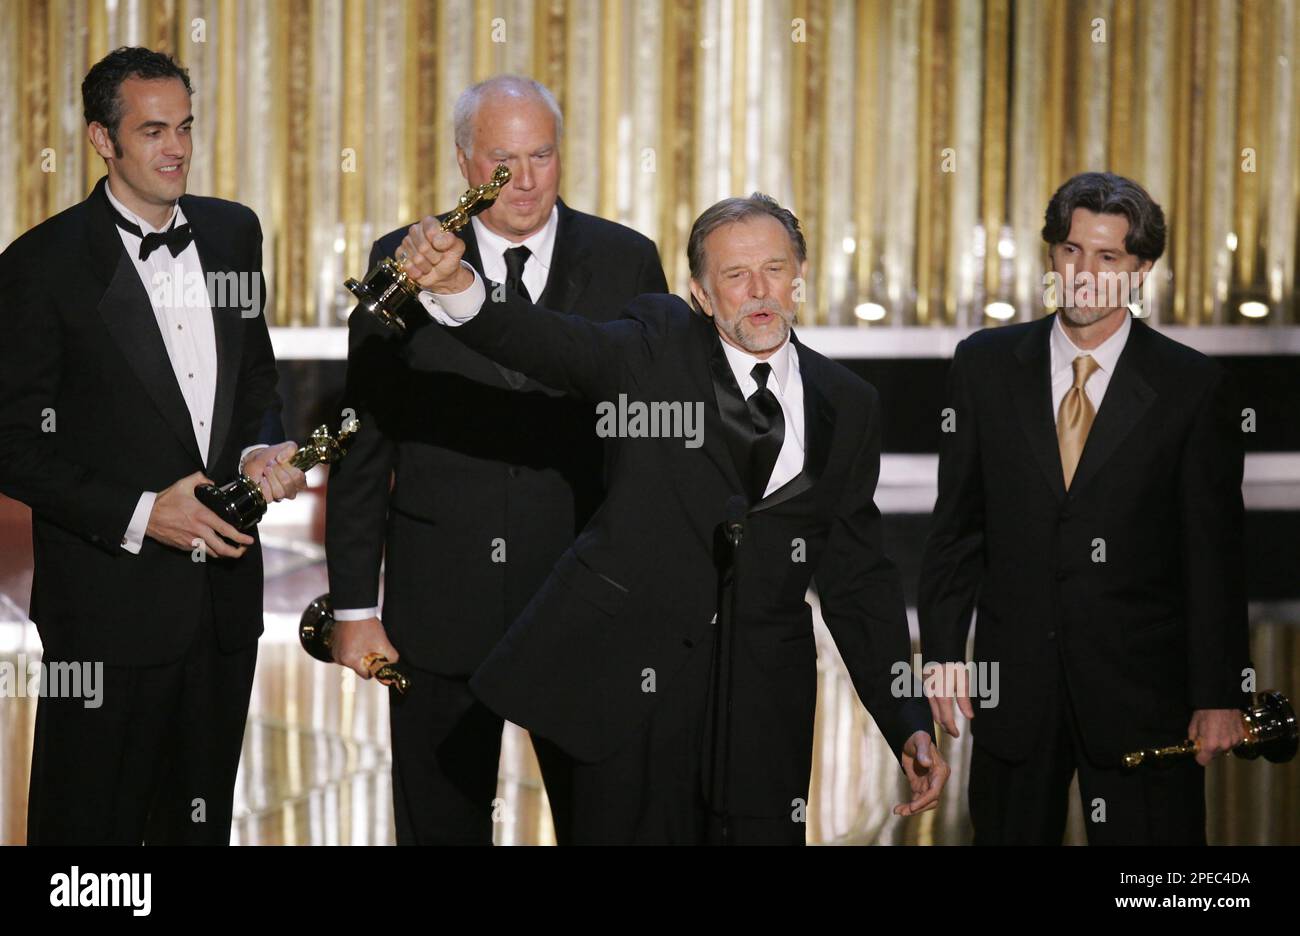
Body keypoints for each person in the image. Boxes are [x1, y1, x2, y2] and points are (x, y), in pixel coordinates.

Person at [391, 192, 947, 844]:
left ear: (800, 274)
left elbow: (858, 579)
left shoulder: (849, 404)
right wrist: (461, 286)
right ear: (702, 294)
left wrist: (905, 717)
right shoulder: (655, 347)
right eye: (735, 276)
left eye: (774, 268)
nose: (759, 289)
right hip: (631, 700)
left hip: (763, 714)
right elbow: (555, 344)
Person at [324, 75, 668, 845]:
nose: (526, 179)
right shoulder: (399, 260)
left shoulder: (626, 260)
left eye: (541, 154)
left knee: (609, 827)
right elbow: (364, 437)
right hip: (439, 609)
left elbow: (649, 443)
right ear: (463, 162)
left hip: (586, 607)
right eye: (502, 159)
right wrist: (353, 609)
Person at [0, 47, 305, 844]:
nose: (176, 148)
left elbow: (257, 383)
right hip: (104, 614)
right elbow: (11, 445)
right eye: (152, 131)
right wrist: (142, 514)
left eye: (186, 127)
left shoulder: (235, 234)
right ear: (103, 139)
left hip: (225, 609)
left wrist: (256, 454)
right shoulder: (40, 266)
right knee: (86, 840)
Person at [918, 171, 1251, 845]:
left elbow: (1213, 554)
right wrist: (945, 653)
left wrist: (1220, 693)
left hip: (1146, 700)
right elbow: (956, 528)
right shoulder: (983, 366)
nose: (1084, 274)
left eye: (1108, 257)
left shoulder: (1191, 386)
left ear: (1141, 269)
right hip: (1016, 692)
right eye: (1071, 251)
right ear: (1050, 255)